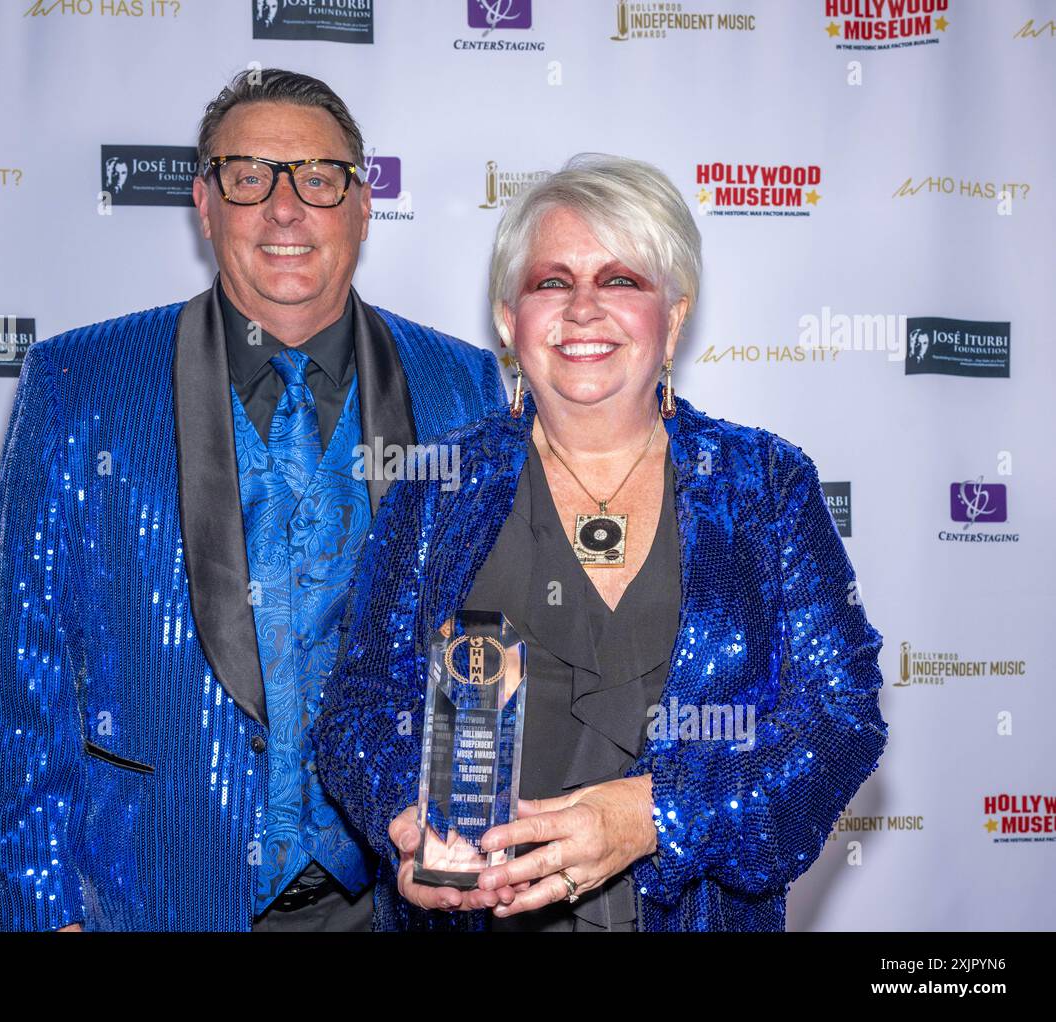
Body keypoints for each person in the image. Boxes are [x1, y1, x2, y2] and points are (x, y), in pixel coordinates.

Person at [0, 68, 507, 932]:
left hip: (401, 905)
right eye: (249, 176)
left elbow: (495, 654)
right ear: (204, 204)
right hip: (162, 892)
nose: (285, 209)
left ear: (363, 206)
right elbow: (19, 687)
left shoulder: (468, 387)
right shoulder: (83, 383)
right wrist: (44, 916)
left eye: (318, 179)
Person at [314, 153, 889, 932]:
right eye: (552, 282)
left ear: (675, 317)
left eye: (621, 280)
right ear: (508, 319)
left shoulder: (766, 484)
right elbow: (359, 709)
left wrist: (661, 815)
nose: (584, 307)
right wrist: (402, 818)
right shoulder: (437, 486)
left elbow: (841, 715)